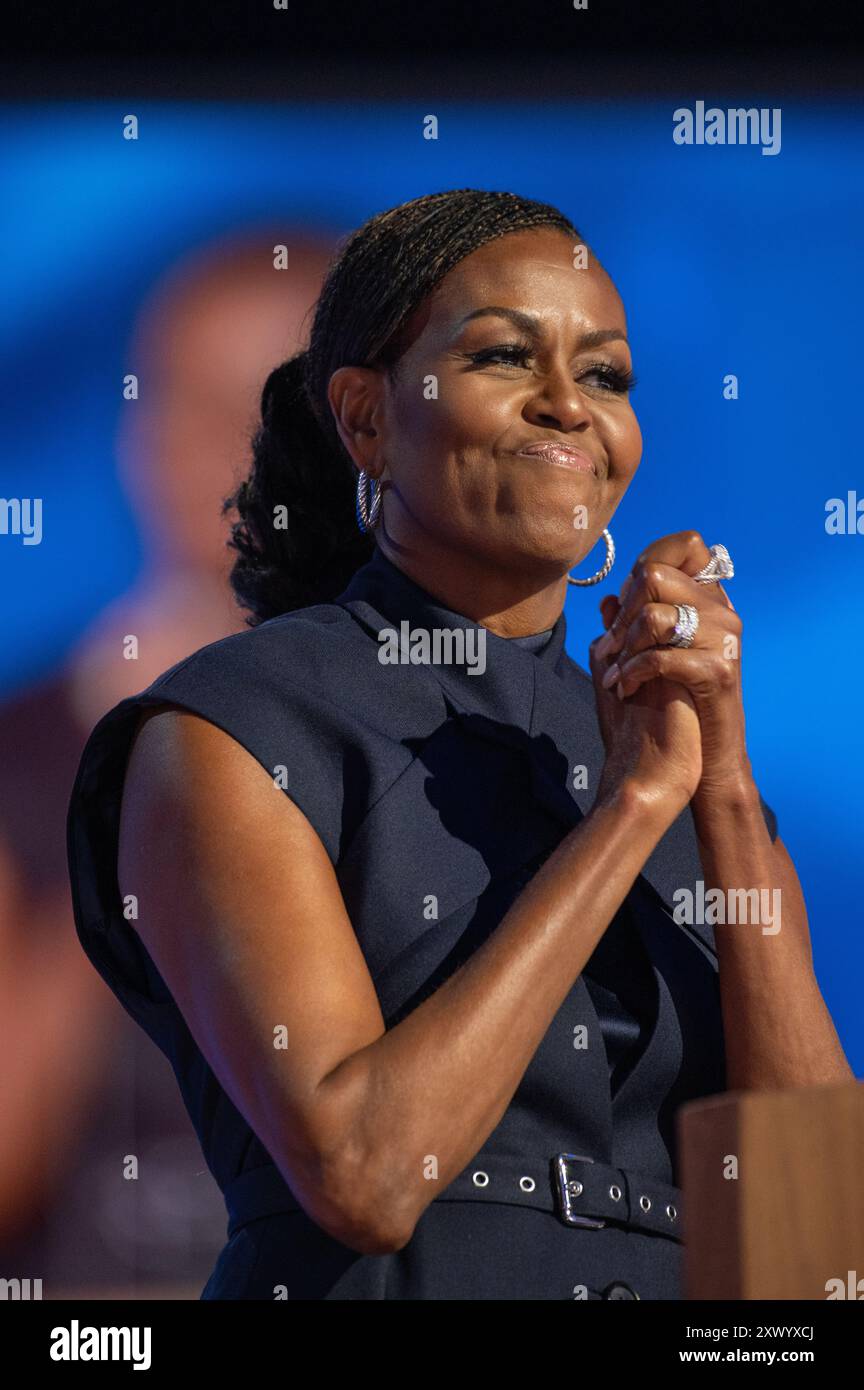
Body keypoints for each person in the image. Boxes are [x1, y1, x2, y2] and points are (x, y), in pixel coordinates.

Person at [66, 188, 853, 1301]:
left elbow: (820, 1261)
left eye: (606, 374)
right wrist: (627, 813)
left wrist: (718, 786)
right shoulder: (235, 725)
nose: (568, 407)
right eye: (503, 359)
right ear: (368, 418)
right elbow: (366, 1174)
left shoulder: (681, 771)